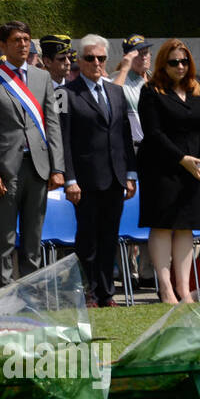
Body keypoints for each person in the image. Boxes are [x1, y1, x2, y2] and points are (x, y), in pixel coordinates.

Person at [0, 20, 64, 286]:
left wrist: (58, 167)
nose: (23, 44)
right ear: (3, 45)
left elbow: (52, 123)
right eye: (16, 40)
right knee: (4, 236)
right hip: (7, 167)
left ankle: (32, 292)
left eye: (26, 39)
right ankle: (3, 292)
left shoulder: (42, 77)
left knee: (33, 236)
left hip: (38, 165)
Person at [137, 38, 200, 304]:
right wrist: (183, 159)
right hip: (161, 168)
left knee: (185, 228)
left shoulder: (199, 89)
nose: (180, 66)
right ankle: (166, 288)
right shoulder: (151, 91)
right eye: (174, 62)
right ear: (163, 64)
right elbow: (154, 133)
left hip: (194, 170)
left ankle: (184, 288)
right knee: (162, 226)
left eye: (184, 61)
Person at [63, 35, 137, 307]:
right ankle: (88, 292)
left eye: (102, 58)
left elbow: (125, 135)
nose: (96, 63)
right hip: (85, 179)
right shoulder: (66, 93)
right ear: (79, 61)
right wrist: (69, 178)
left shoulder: (116, 92)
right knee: (88, 240)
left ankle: (107, 293)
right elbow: (64, 140)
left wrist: (131, 173)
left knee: (109, 238)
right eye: (90, 58)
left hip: (115, 177)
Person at [113, 35, 151, 150]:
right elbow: (112, 98)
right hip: (134, 148)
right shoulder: (120, 79)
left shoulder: (156, 79)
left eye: (146, 53)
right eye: (138, 54)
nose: (144, 57)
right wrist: (124, 68)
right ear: (127, 58)